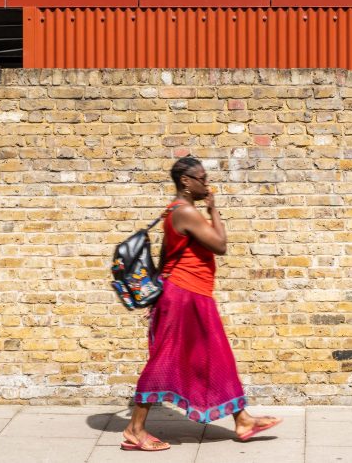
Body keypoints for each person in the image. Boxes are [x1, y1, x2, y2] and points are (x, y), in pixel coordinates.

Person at [121, 155, 282, 452]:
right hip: (184, 296)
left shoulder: (175, 211)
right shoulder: (185, 211)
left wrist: (158, 300)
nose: (207, 184)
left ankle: (242, 419)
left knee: (217, 356)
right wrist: (214, 210)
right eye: (202, 179)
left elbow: (165, 257)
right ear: (186, 181)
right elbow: (220, 245)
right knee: (164, 359)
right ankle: (135, 428)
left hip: (188, 294)